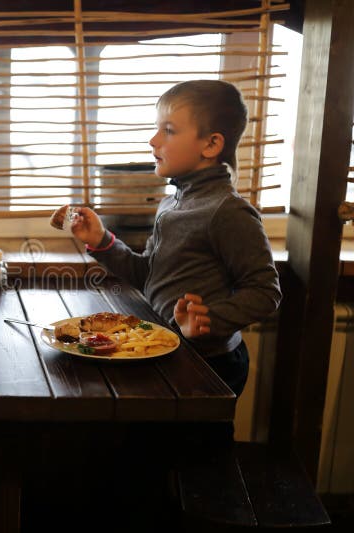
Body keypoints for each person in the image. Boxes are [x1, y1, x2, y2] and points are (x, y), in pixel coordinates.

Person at [69, 80, 281, 397]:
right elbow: (148, 276)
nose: (153, 140)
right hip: (166, 351)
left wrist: (209, 320)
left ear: (210, 145)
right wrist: (102, 241)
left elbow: (266, 292)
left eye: (168, 131)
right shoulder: (171, 203)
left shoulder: (229, 212)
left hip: (209, 363)